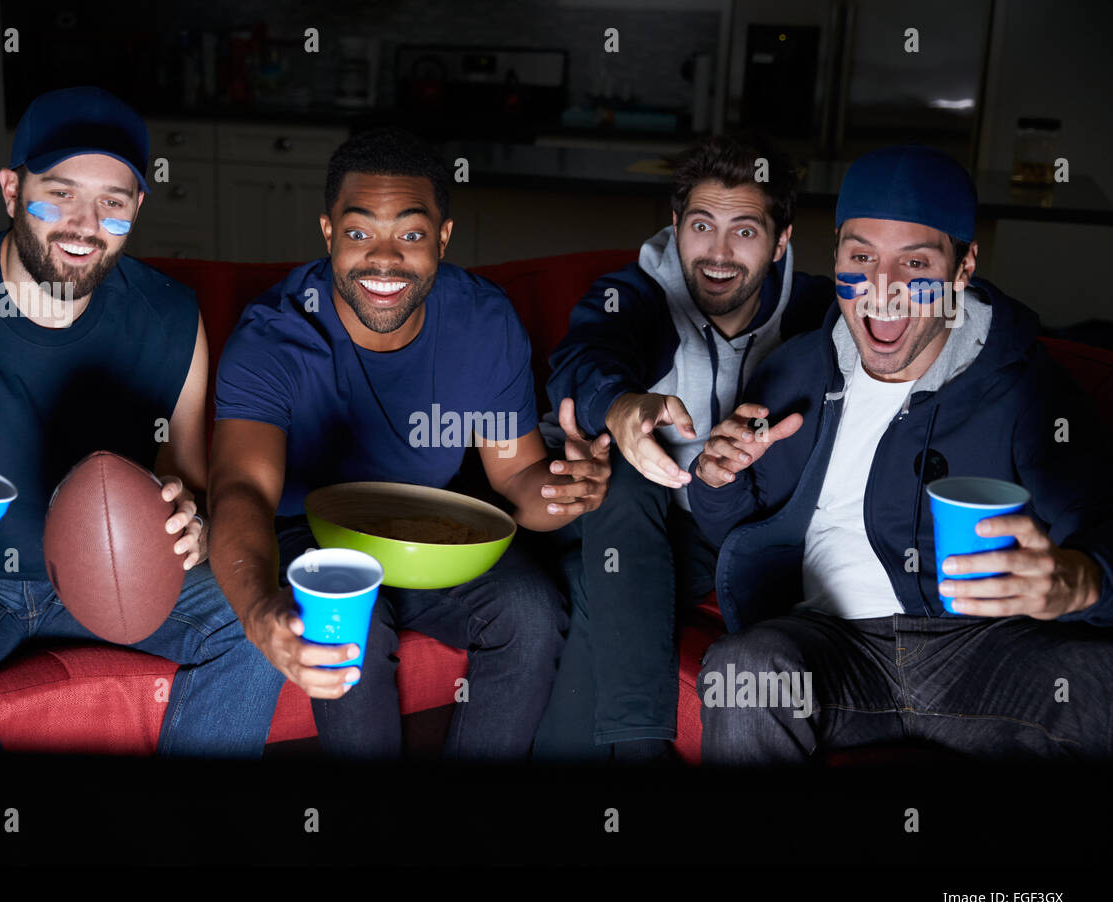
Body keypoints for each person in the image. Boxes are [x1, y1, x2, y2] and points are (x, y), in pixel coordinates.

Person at [0, 86, 281, 755]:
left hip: (112, 574)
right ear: (11, 189)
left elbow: (189, 479)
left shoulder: (173, 316)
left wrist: (193, 521)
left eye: (112, 203)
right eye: (57, 192)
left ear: (136, 209)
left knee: (259, 625)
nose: (84, 224)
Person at [690, 145, 1113, 763]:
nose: (880, 290)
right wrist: (717, 477)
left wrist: (1076, 582)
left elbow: (1101, 530)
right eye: (860, 257)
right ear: (835, 255)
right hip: (830, 646)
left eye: (914, 262)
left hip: (983, 652)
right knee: (742, 673)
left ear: (963, 268)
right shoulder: (793, 372)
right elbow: (738, 531)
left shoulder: (1028, 387)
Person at [209, 127, 611, 761]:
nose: (384, 259)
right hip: (307, 534)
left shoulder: (483, 320)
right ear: (328, 232)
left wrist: (567, 489)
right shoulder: (273, 337)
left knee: (531, 611)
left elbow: (517, 481)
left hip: (432, 531)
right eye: (360, 232)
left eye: (412, 235)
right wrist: (262, 614)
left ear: (443, 239)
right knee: (350, 633)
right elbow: (240, 490)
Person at [534, 135, 833, 760]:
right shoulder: (636, 296)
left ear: (780, 241)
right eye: (701, 226)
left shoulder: (815, 315)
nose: (718, 254)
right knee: (627, 479)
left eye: (744, 231)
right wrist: (623, 411)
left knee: (599, 584)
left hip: (703, 533)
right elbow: (585, 361)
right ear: (675, 227)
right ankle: (643, 749)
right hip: (585, 504)